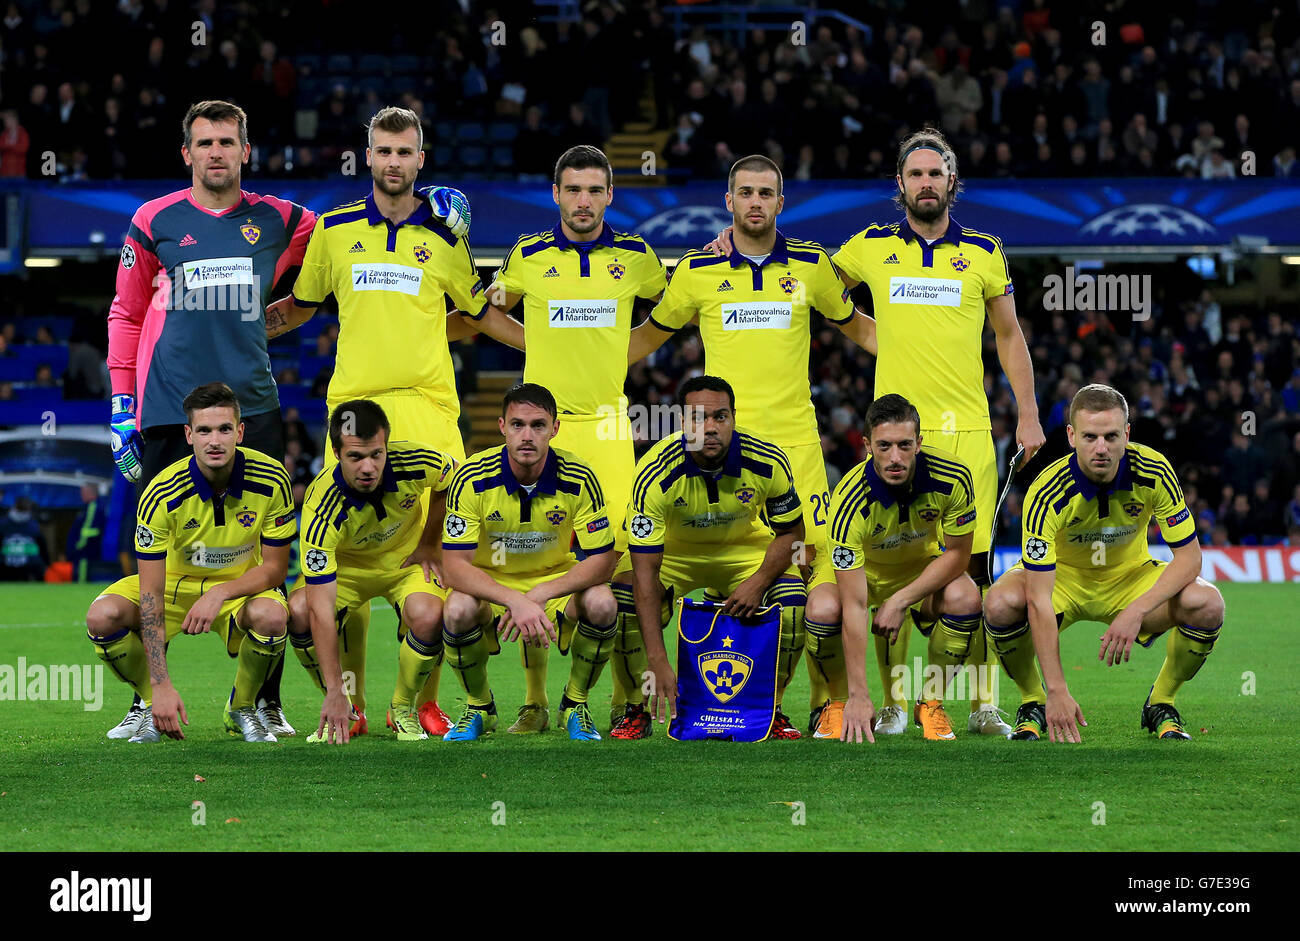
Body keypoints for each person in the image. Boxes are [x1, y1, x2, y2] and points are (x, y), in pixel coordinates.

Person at [268, 106, 522, 737]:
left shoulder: (444, 238)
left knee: (435, 560)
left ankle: (421, 702)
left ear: (420, 160)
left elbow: (474, 314)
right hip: (354, 407)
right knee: (346, 558)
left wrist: (546, 350)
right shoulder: (333, 229)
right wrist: (238, 323)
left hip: (431, 406)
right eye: (383, 151)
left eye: (404, 152)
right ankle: (348, 704)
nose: (393, 162)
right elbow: (300, 308)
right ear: (368, 157)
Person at [628, 154, 875, 735]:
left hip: (797, 448)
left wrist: (917, 360)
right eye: (746, 192)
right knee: (655, 576)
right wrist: (571, 362)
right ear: (729, 200)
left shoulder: (813, 267)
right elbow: (644, 339)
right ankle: (648, 700)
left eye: (767, 192)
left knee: (812, 574)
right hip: (722, 446)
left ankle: (826, 702)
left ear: (781, 202)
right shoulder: (694, 272)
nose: (756, 201)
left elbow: (860, 327)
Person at [104, 100, 312, 736]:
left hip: (253, 408)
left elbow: (342, 243)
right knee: (150, 558)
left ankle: (260, 705)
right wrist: (120, 409)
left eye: (228, 141)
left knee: (268, 555)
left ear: (246, 151)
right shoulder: (153, 220)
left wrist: (423, 206)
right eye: (205, 142)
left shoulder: (279, 219)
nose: (216, 152)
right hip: (167, 410)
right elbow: (126, 313)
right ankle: (148, 699)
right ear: (187, 154)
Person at [831, 127, 1044, 736]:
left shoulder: (983, 251)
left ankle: (978, 707)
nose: (926, 183)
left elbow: (1008, 335)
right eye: (915, 174)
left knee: (968, 578)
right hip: (895, 436)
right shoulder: (870, 245)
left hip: (967, 434)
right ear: (899, 184)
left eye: (936, 173)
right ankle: (896, 705)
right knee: (890, 567)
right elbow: (816, 290)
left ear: (953, 182)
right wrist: (871, 334)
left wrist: (1026, 413)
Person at [479, 144, 667, 737]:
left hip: (611, 429)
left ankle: (621, 703)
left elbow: (675, 310)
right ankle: (535, 701)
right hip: (547, 427)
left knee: (617, 569)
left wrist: (626, 351)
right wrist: (535, 345)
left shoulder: (637, 257)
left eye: (594, 190)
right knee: (540, 555)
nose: (583, 201)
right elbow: (487, 313)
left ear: (610, 195)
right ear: (556, 195)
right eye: (572, 190)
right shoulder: (528, 256)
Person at [983, 384, 1224, 742]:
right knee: (999, 604)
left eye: (1111, 436)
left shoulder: (1155, 471)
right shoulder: (1046, 491)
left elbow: (1190, 559)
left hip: (1130, 579)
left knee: (1207, 604)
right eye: (1090, 436)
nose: (1101, 448)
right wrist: (1058, 689)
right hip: (1060, 580)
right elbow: (1037, 597)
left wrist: (1137, 610)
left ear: (1126, 434)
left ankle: (1161, 701)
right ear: (1071, 436)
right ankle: (1034, 701)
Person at [85, 383, 295, 743]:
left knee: (273, 616)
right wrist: (160, 684)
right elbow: (149, 591)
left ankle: (242, 707)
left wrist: (220, 593)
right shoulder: (160, 492)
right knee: (101, 617)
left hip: (237, 588)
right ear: (189, 435)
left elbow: (275, 570)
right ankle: (150, 706)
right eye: (204, 430)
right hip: (170, 587)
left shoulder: (273, 479)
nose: (215, 441)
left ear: (240, 432)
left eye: (225, 429)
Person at [617, 376, 809, 739]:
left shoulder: (767, 460)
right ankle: (635, 707)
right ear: (681, 421)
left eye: (720, 417)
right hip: (674, 553)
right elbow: (645, 571)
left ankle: (772, 707)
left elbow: (792, 534)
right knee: (625, 599)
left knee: (793, 605)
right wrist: (658, 659)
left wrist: (758, 581)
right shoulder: (654, 472)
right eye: (697, 418)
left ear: (734, 418)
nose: (709, 428)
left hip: (742, 551)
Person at [439, 383, 619, 741]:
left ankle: (575, 704)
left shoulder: (579, 476)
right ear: (502, 425)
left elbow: (603, 559)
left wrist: (541, 593)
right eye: (518, 424)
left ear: (555, 429)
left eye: (538, 425)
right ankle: (479, 707)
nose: (527, 435)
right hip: (492, 582)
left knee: (603, 602)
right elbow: (455, 566)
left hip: (554, 578)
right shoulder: (472, 477)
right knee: (456, 609)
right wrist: (514, 599)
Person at [290, 400, 456, 744]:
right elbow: (320, 607)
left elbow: (451, 478)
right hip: (346, 571)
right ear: (335, 452)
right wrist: (334, 688)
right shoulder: (321, 505)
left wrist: (429, 543)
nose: (368, 467)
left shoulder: (415, 460)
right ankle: (348, 707)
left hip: (404, 562)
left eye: (376, 455)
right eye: (355, 457)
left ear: (386, 446)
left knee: (431, 614)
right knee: (299, 612)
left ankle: (402, 708)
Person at [827, 394, 984, 743]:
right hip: (863, 574)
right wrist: (859, 693)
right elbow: (854, 604)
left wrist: (899, 600)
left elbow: (959, 554)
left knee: (967, 598)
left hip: (916, 569)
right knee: (822, 609)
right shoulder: (848, 501)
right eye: (884, 446)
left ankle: (929, 702)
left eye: (904, 445)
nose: (895, 457)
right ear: (867, 445)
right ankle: (839, 704)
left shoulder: (953, 476)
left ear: (919, 443)